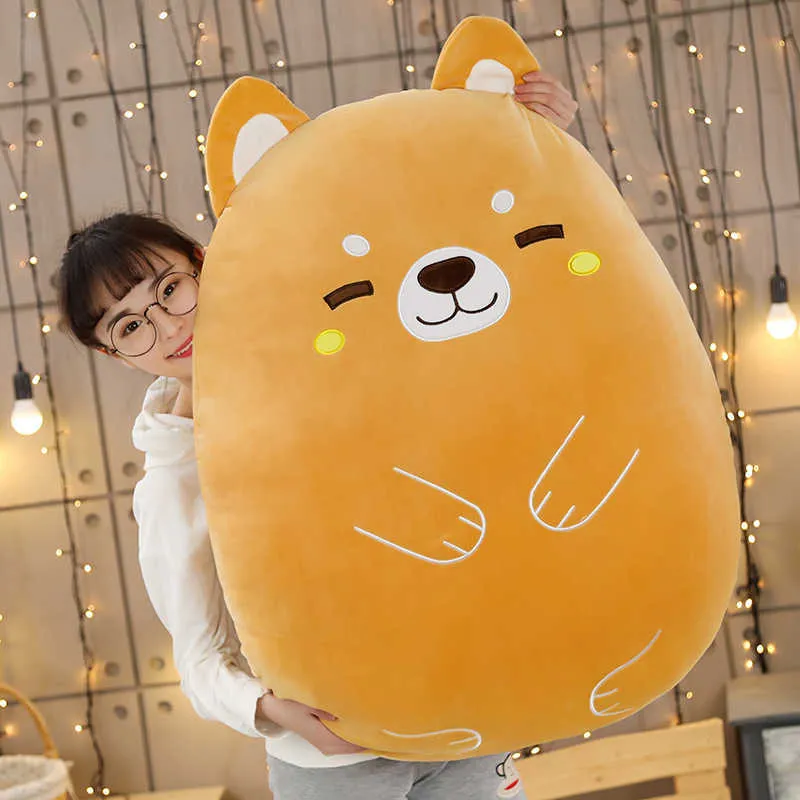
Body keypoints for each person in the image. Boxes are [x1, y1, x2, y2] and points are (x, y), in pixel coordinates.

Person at [57, 73, 577, 799]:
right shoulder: (173, 480)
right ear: (113, 353)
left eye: (169, 290)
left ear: (202, 263)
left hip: (462, 711)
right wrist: (274, 713)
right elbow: (199, 658)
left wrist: (523, 135)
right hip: (338, 761)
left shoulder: (334, 344)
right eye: (130, 326)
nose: (168, 326)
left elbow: (409, 229)